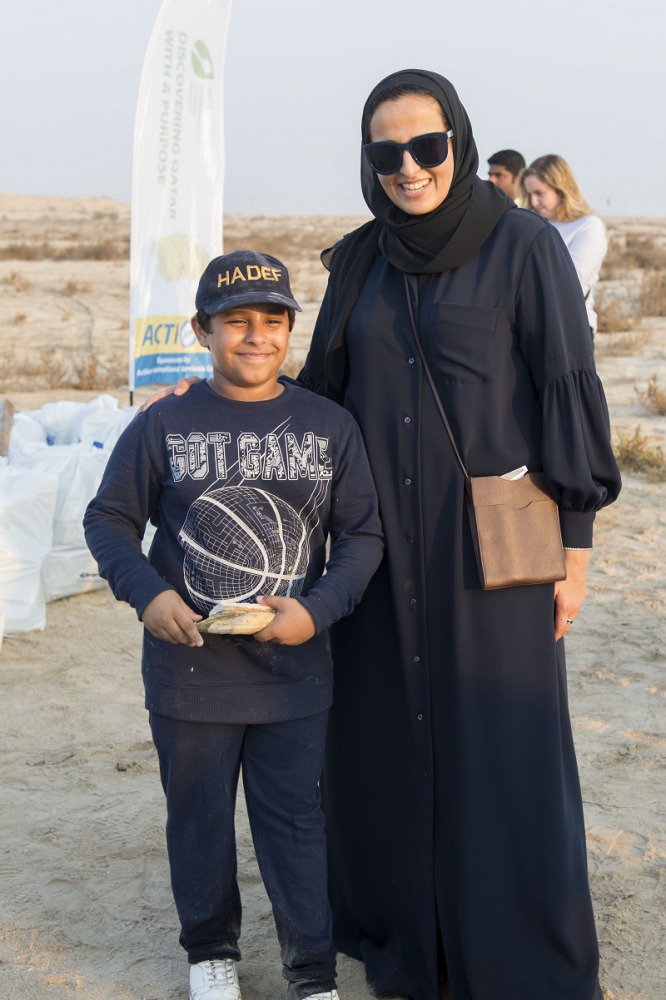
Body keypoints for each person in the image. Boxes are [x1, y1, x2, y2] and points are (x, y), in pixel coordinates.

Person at [149, 70, 621, 1000]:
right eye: (386, 152)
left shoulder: (525, 247)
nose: (408, 167)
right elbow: (319, 397)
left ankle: (511, 945)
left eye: (426, 146)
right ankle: (399, 923)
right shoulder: (360, 260)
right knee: (379, 743)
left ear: (459, 141)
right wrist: (214, 402)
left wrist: (576, 548)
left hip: (492, 547)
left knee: (501, 740)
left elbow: (568, 389)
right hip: (374, 547)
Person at [84, 250, 384, 1000]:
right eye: (236, 322)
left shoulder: (327, 426)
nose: (256, 337)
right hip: (190, 672)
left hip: (294, 672)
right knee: (199, 818)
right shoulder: (167, 423)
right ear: (202, 330)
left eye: (273, 322)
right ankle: (210, 951)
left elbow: (363, 536)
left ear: (291, 330)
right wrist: (148, 595)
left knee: (295, 823)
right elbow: (110, 519)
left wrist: (313, 612)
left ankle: (311, 971)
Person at [521, 154, 608, 336]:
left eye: (539, 193)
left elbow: (571, 283)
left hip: (570, 327)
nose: (534, 202)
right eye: (529, 194)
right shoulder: (531, 222)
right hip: (530, 325)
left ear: (561, 189)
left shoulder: (588, 226)